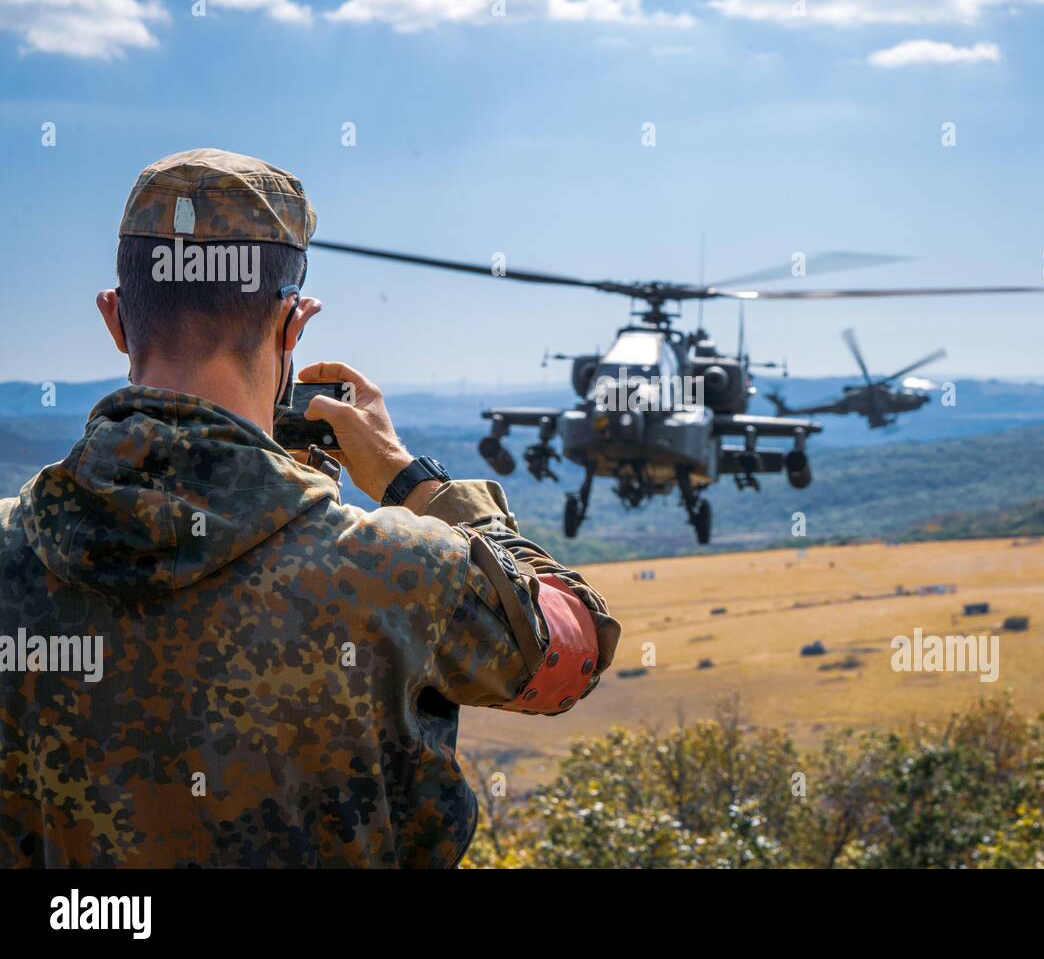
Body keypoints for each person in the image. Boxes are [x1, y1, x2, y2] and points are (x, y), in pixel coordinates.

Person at [0, 148, 619, 868]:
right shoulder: (400, 572)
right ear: (294, 323)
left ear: (115, 319)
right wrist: (411, 480)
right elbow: (568, 657)